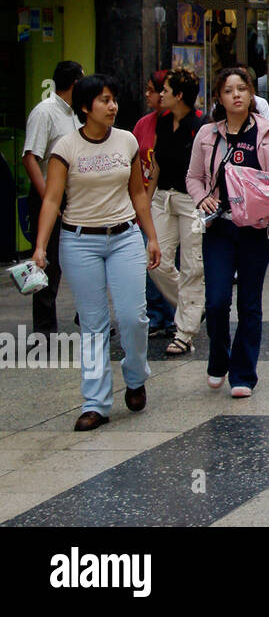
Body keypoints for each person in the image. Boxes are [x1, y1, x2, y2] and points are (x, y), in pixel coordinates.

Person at [32, 73, 162, 431]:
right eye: (104, 100)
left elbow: (138, 192)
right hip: (79, 241)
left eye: (114, 99)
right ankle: (96, 402)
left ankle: (135, 377)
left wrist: (151, 237)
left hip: (124, 237)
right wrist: (41, 247)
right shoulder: (65, 148)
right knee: (93, 325)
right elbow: (53, 199)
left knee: (133, 316)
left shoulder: (127, 141)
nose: (113, 106)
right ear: (86, 107)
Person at [188, 67, 269, 397]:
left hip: (258, 229)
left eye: (242, 89)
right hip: (219, 227)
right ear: (219, 97)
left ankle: (243, 373)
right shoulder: (207, 134)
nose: (236, 95)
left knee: (249, 303)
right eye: (229, 90)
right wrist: (202, 199)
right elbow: (193, 178)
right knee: (216, 302)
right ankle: (217, 357)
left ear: (251, 94)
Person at [148, 68, 207, 357]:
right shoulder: (162, 122)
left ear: (179, 96)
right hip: (162, 198)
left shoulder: (202, 126)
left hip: (191, 201)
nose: (161, 95)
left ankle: (185, 332)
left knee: (192, 266)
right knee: (156, 261)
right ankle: (194, 307)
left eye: (166, 90)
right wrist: (146, 204)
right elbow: (156, 165)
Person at [22, 60, 83, 341]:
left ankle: (88, 315)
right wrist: (49, 197)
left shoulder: (75, 113)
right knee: (47, 261)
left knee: (82, 257)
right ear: (73, 83)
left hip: (75, 195)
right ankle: (44, 329)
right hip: (48, 193)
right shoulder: (44, 112)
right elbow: (30, 157)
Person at [134, 70, 174, 338]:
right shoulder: (142, 125)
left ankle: (176, 316)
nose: (148, 95)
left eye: (152, 90)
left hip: (171, 202)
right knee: (148, 261)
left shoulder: (181, 124)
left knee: (169, 261)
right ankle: (155, 316)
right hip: (143, 202)